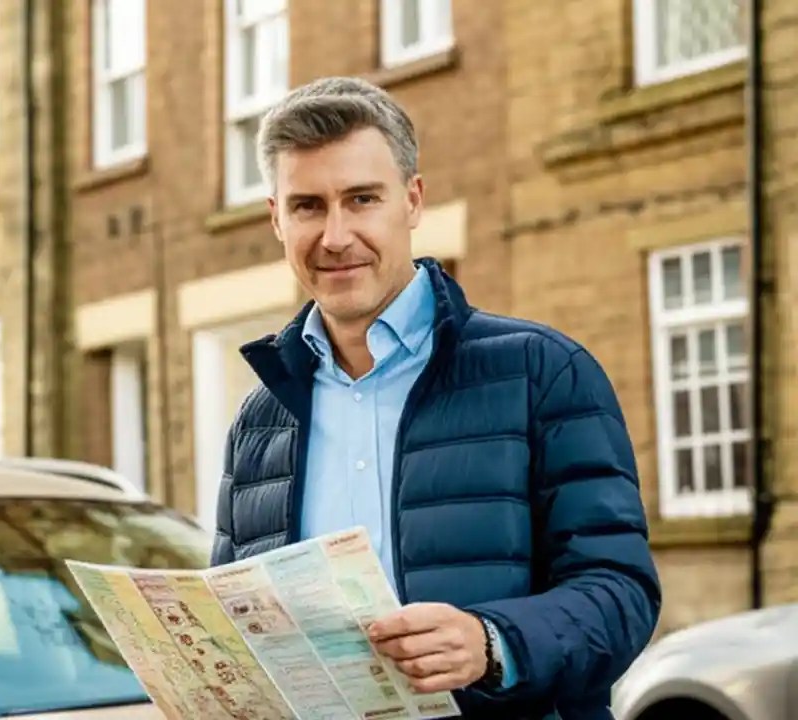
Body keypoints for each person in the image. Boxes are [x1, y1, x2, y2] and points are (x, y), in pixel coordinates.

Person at [209, 76, 661, 720]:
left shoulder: (542, 372)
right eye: (308, 206)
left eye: (362, 199)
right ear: (275, 218)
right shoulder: (258, 422)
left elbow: (621, 595)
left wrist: (490, 642)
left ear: (412, 200)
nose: (336, 236)